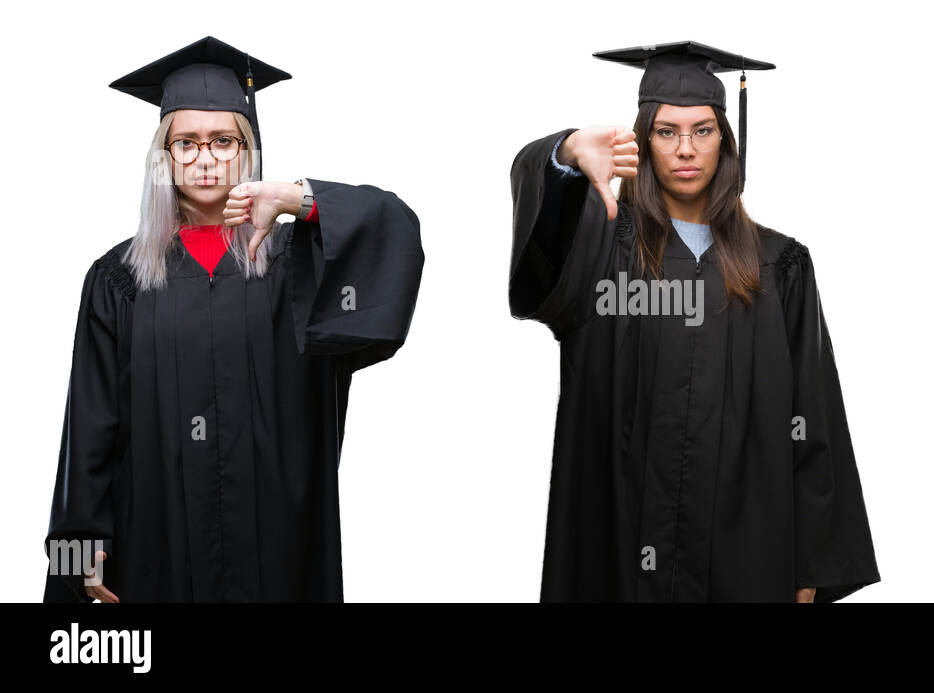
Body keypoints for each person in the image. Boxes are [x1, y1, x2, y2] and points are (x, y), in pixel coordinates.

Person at [42, 36, 425, 602]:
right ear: (164, 157)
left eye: (224, 141)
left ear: (249, 152)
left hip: (281, 544)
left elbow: (393, 231)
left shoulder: (299, 265)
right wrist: (79, 550)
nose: (204, 158)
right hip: (155, 544)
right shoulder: (119, 279)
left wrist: (299, 198)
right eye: (186, 142)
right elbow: (88, 430)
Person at [509, 41, 879, 602]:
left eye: (703, 131)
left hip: (745, 552)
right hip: (617, 546)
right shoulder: (601, 251)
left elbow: (812, 415)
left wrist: (810, 570)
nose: (686, 149)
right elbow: (537, 273)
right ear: (641, 141)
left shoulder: (779, 265)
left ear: (726, 142)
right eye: (666, 132)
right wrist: (563, 155)